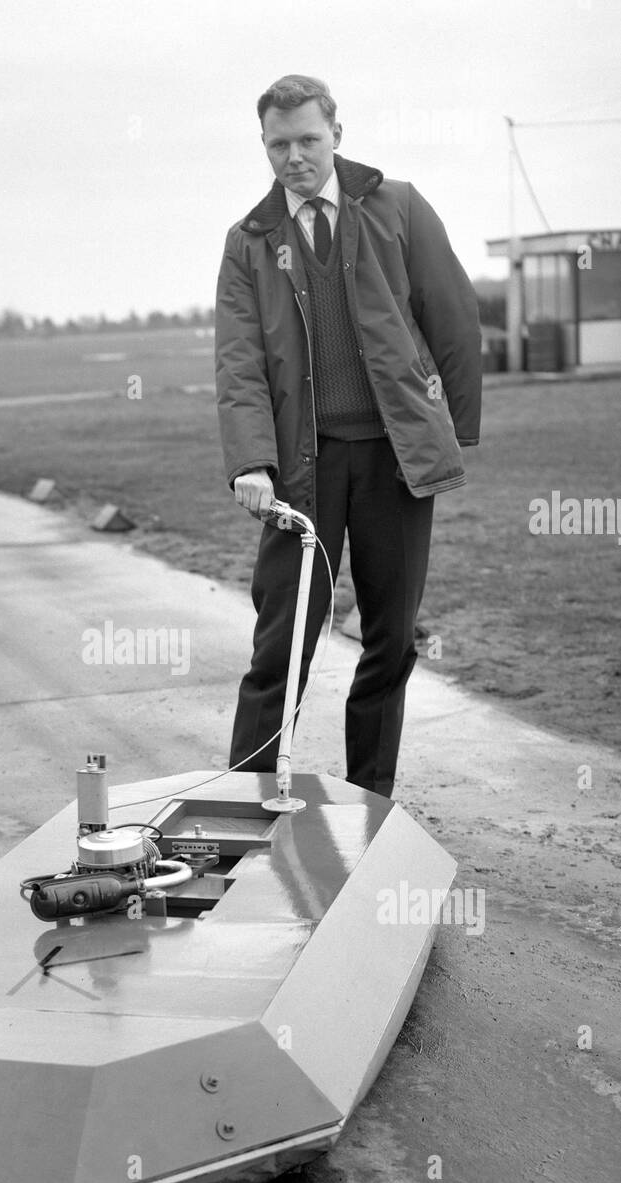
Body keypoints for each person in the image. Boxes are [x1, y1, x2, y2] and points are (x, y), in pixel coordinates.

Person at [216, 74, 482, 798]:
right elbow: (238, 364)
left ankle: (370, 799)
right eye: (279, 144)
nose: (294, 156)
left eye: (307, 139)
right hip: (300, 471)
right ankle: (244, 800)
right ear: (263, 146)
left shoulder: (396, 206)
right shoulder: (249, 243)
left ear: (336, 134)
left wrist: (451, 432)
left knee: (388, 639)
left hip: (394, 461)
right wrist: (251, 462)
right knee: (282, 642)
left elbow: (450, 315)